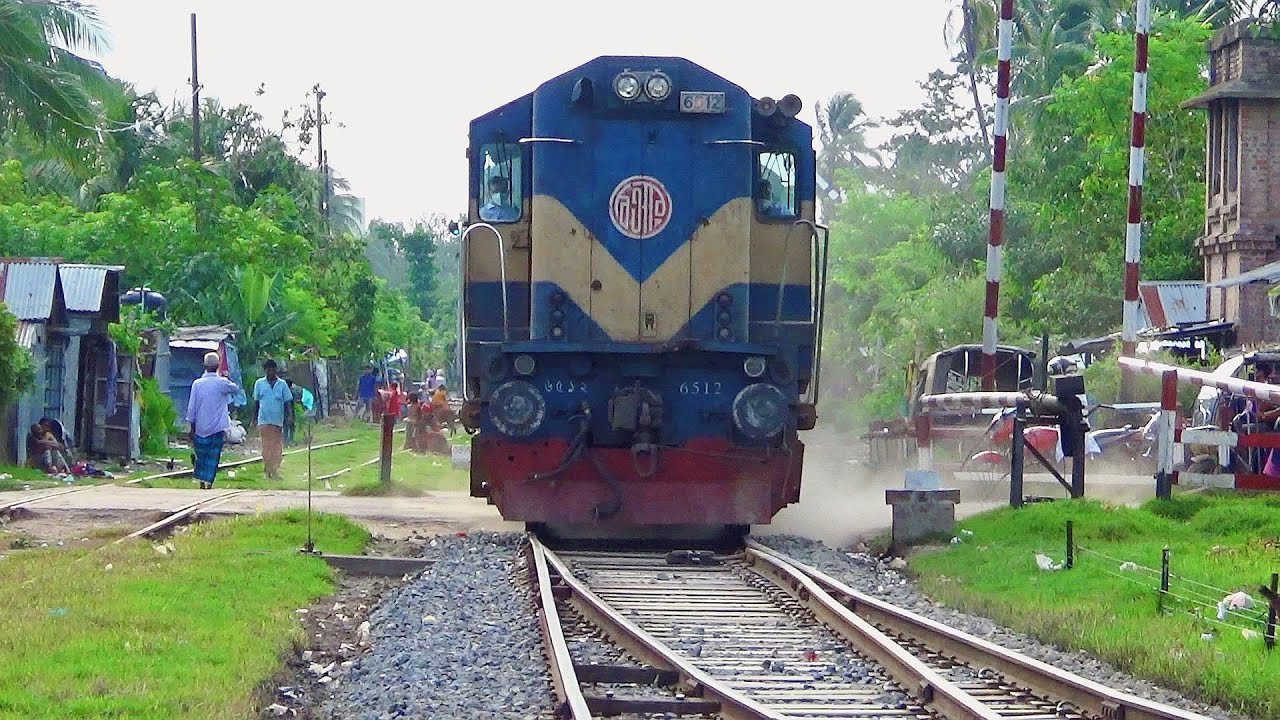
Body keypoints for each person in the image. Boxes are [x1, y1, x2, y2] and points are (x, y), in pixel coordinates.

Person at [186, 351, 240, 489]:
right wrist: (226, 376)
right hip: (217, 428)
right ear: (218, 365)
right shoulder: (222, 383)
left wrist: (191, 427)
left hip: (201, 428)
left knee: (201, 456)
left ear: (204, 365)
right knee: (213, 457)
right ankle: (208, 481)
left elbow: (192, 407)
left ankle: (202, 481)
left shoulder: (197, 384)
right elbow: (235, 388)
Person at [252, 359, 293, 481]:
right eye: (268, 369)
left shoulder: (282, 384)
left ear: (276, 370)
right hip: (264, 420)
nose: (270, 372)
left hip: (277, 421)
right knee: (266, 445)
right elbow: (256, 403)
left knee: (276, 446)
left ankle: (274, 469)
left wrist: (289, 416)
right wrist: (253, 419)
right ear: (265, 370)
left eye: (272, 369)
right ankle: (268, 468)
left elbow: (287, 403)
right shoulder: (259, 384)